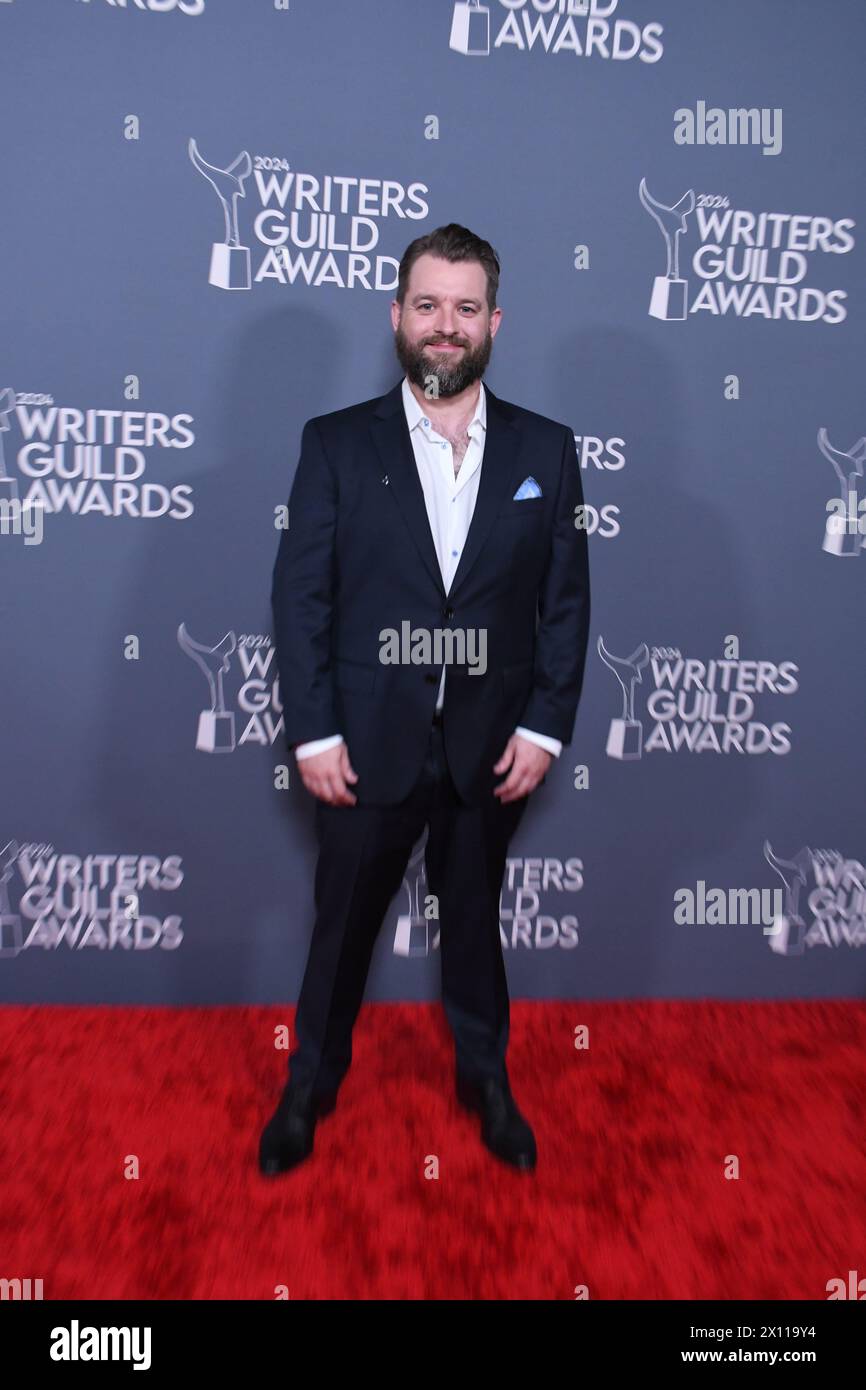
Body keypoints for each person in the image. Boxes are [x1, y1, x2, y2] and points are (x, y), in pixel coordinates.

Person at [260, 223, 590, 1176]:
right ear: (397, 315)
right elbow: (302, 598)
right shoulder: (334, 446)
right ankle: (308, 1087)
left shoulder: (550, 450)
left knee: (476, 922)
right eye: (429, 306)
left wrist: (545, 724)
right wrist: (313, 728)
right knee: (342, 930)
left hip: (494, 744)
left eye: (466, 309)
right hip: (366, 742)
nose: (447, 327)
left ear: (496, 321)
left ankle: (486, 1080)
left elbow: (565, 603)